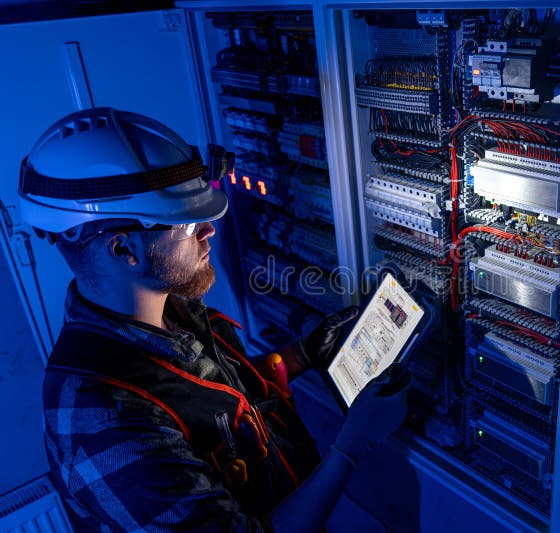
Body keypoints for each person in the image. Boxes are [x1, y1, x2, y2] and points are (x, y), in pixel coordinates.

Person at [17, 107, 412, 532]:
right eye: (185, 223)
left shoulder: (167, 309)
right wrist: (350, 448)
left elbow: (211, 409)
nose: (209, 230)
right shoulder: (101, 418)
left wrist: (303, 354)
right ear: (122, 250)